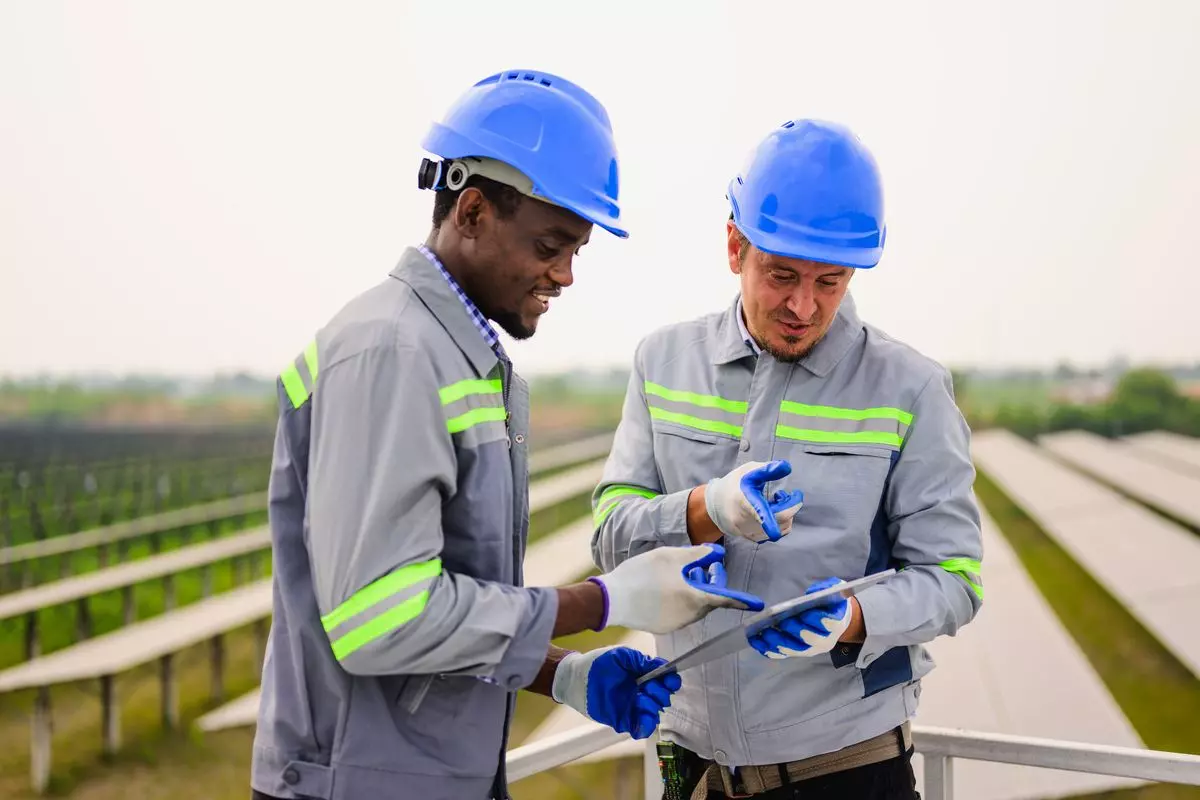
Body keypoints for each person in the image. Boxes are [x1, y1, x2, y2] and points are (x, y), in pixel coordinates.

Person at [249, 69, 765, 800]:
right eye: (551, 245)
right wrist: (603, 602)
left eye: (577, 250)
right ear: (472, 212)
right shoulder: (393, 353)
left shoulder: (465, 359)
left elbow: (451, 605)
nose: (565, 275)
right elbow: (380, 618)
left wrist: (559, 672)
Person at [591, 119, 984, 799]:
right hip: (692, 771)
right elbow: (609, 537)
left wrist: (852, 620)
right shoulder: (663, 364)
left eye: (830, 282)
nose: (805, 307)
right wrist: (703, 510)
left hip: (847, 773)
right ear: (734, 245)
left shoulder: (910, 388)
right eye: (782, 276)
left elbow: (954, 579)